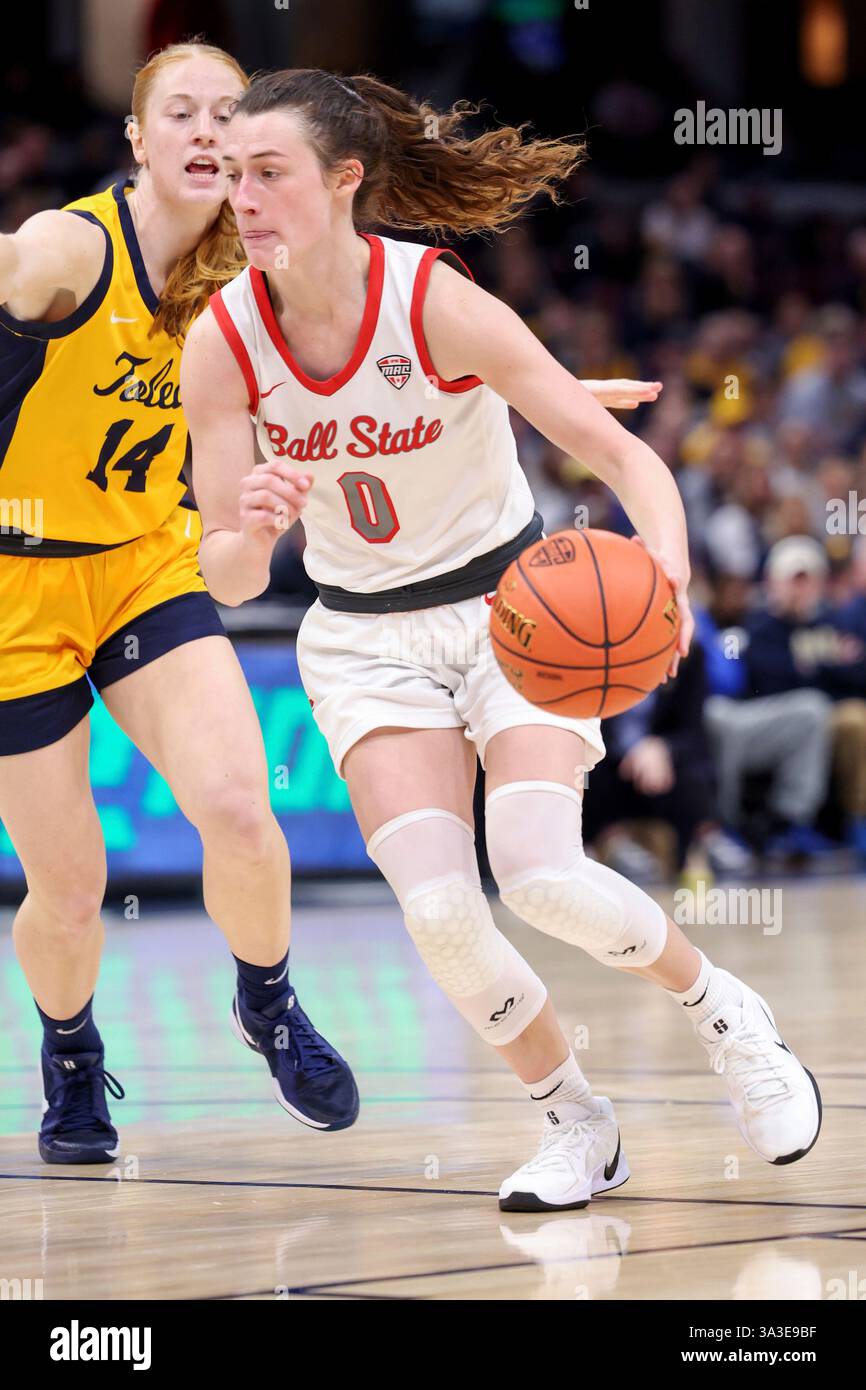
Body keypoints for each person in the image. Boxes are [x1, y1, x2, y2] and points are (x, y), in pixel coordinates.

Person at [184, 68, 821, 1212]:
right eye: (231, 176)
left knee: (538, 875)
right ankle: (577, 1122)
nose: (243, 197)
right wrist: (256, 526)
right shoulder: (222, 346)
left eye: (268, 172)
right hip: (363, 634)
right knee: (437, 911)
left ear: (343, 180)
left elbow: (628, 463)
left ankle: (728, 1016)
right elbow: (224, 576)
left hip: (507, 609)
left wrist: (665, 583)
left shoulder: (435, 304)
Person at [0, 43, 358, 1166]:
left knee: (241, 809)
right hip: (15, 582)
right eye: (182, 114)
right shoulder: (67, 247)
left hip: (147, 564)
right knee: (69, 887)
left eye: (227, 115)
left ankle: (268, 1001)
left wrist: (529, 389)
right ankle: (68, 1054)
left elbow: (387, 333)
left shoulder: (253, 272)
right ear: (138, 139)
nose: (207, 132)